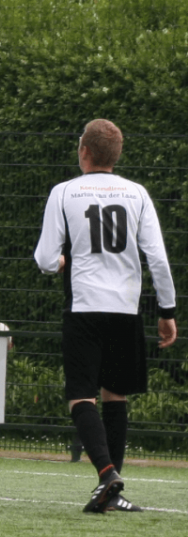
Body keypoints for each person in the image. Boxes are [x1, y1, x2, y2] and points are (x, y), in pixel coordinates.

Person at [35, 119, 177, 514]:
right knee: (116, 394)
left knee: (81, 395)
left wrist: (62, 260)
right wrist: (167, 312)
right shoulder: (138, 194)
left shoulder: (64, 192)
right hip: (125, 310)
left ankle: (106, 475)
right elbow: (159, 260)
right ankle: (112, 494)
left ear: (84, 151)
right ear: (116, 155)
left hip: (84, 307)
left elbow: (45, 259)